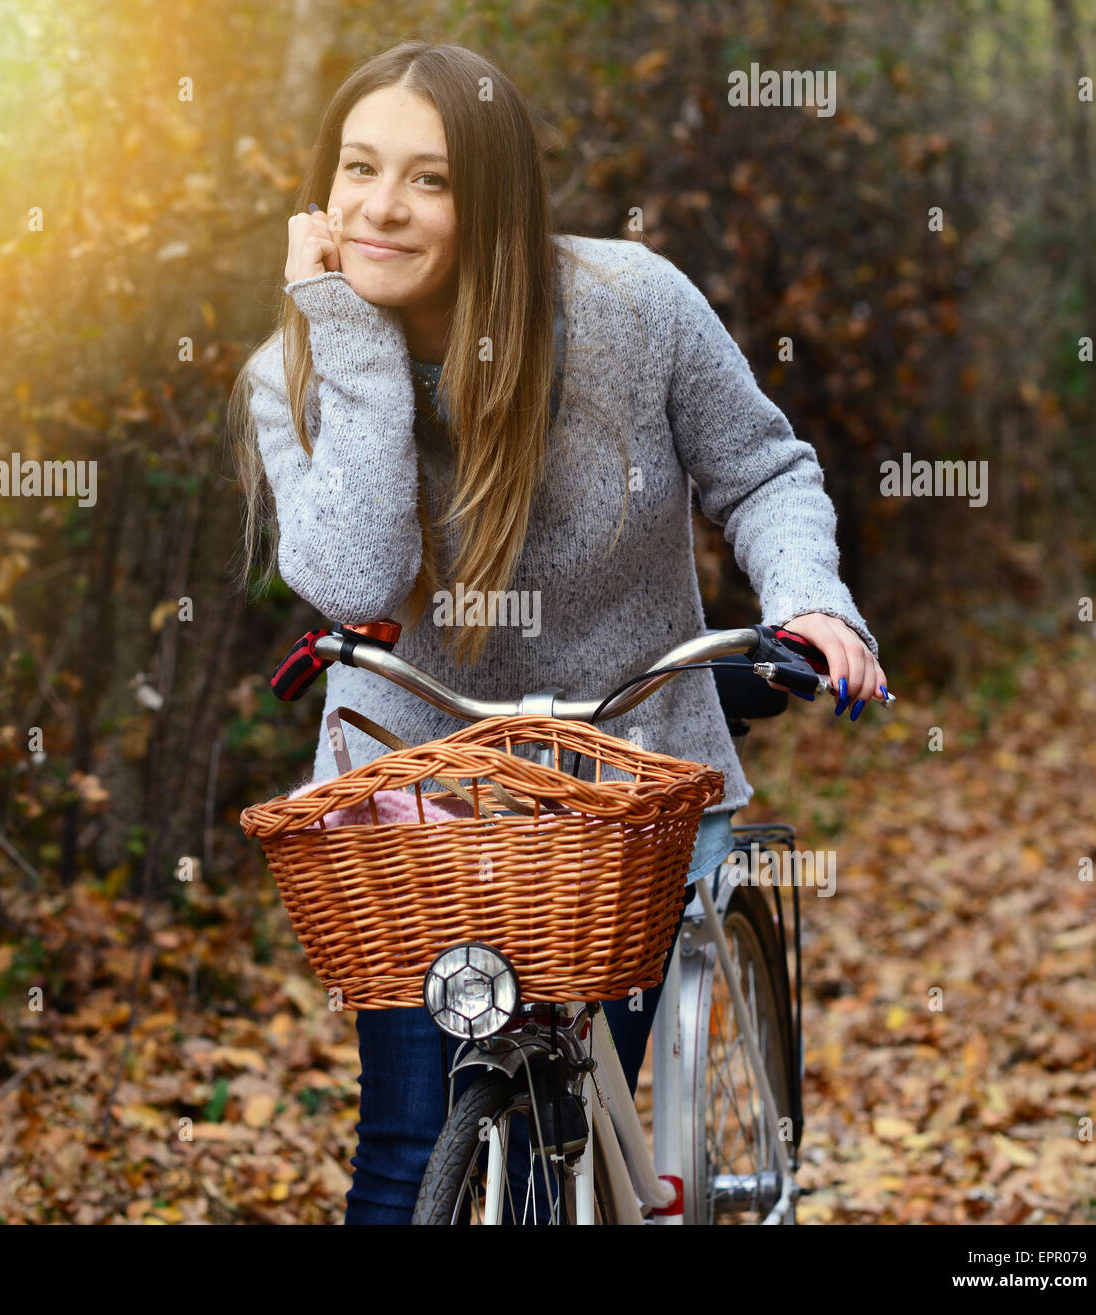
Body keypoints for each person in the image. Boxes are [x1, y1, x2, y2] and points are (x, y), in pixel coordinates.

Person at [229, 40, 888, 1224]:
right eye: (358, 170)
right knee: (405, 1150)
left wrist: (807, 600)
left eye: (428, 180)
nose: (380, 207)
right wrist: (358, 340)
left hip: (627, 789)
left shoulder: (631, 306)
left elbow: (763, 470)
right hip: (416, 806)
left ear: (492, 198)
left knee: (554, 1147)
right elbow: (354, 577)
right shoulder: (295, 371)